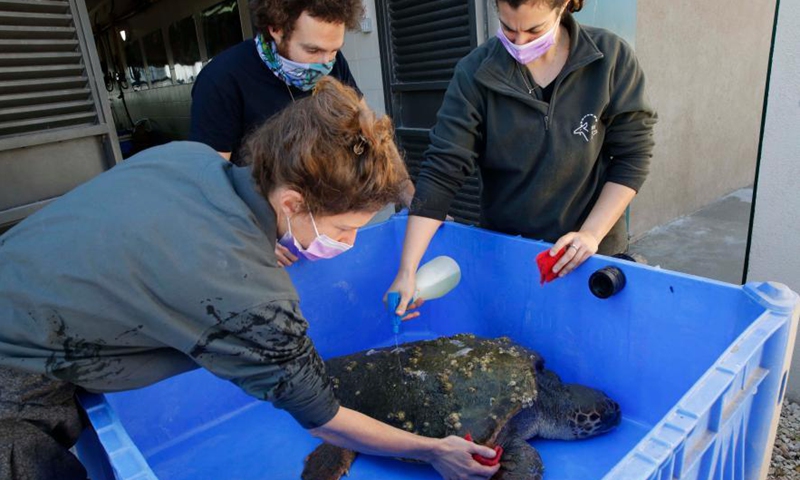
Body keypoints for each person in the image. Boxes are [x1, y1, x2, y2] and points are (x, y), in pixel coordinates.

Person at [0, 79, 499, 480]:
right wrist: (433, 450)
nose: (348, 244)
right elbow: (325, 419)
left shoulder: (188, 158)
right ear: (292, 203)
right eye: (343, 229)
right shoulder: (248, 296)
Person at [388, 0, 657, 319]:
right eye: (508, 28)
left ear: (564, 6)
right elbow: (441, 172)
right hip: (508, 253)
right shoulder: (475, 73)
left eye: (534, 30)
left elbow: (632, 156)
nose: (519, 43)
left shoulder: (610, 58)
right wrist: (408, 269)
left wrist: (591, 234)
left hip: (590, 252)